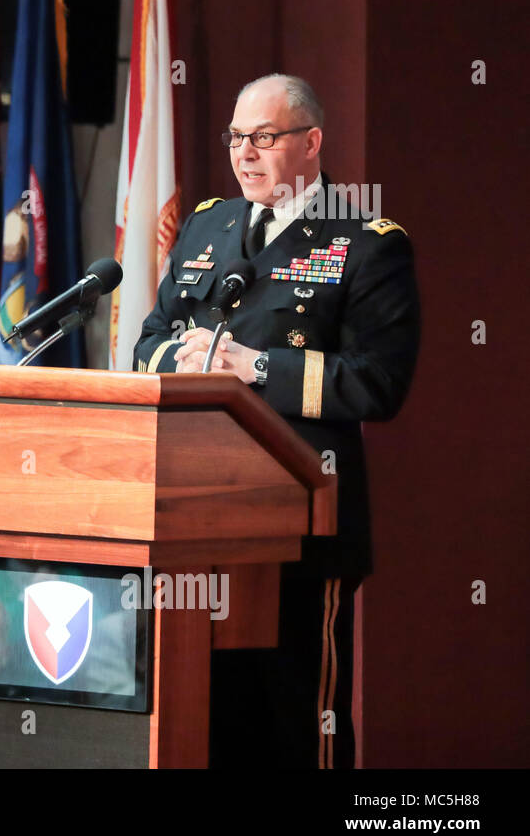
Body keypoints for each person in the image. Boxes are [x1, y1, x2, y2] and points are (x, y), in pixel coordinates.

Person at [133, 74, 421, 768]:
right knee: (210, 726)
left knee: (297, 728)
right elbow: (148, 344)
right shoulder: (207, 224)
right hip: (197, 523)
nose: (245, 153)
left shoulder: (367, 242)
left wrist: (255, 369)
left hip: (301, 525)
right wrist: (188, 355)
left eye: (264, 137)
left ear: (311, 142)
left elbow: (378, 386)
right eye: (236, 138)